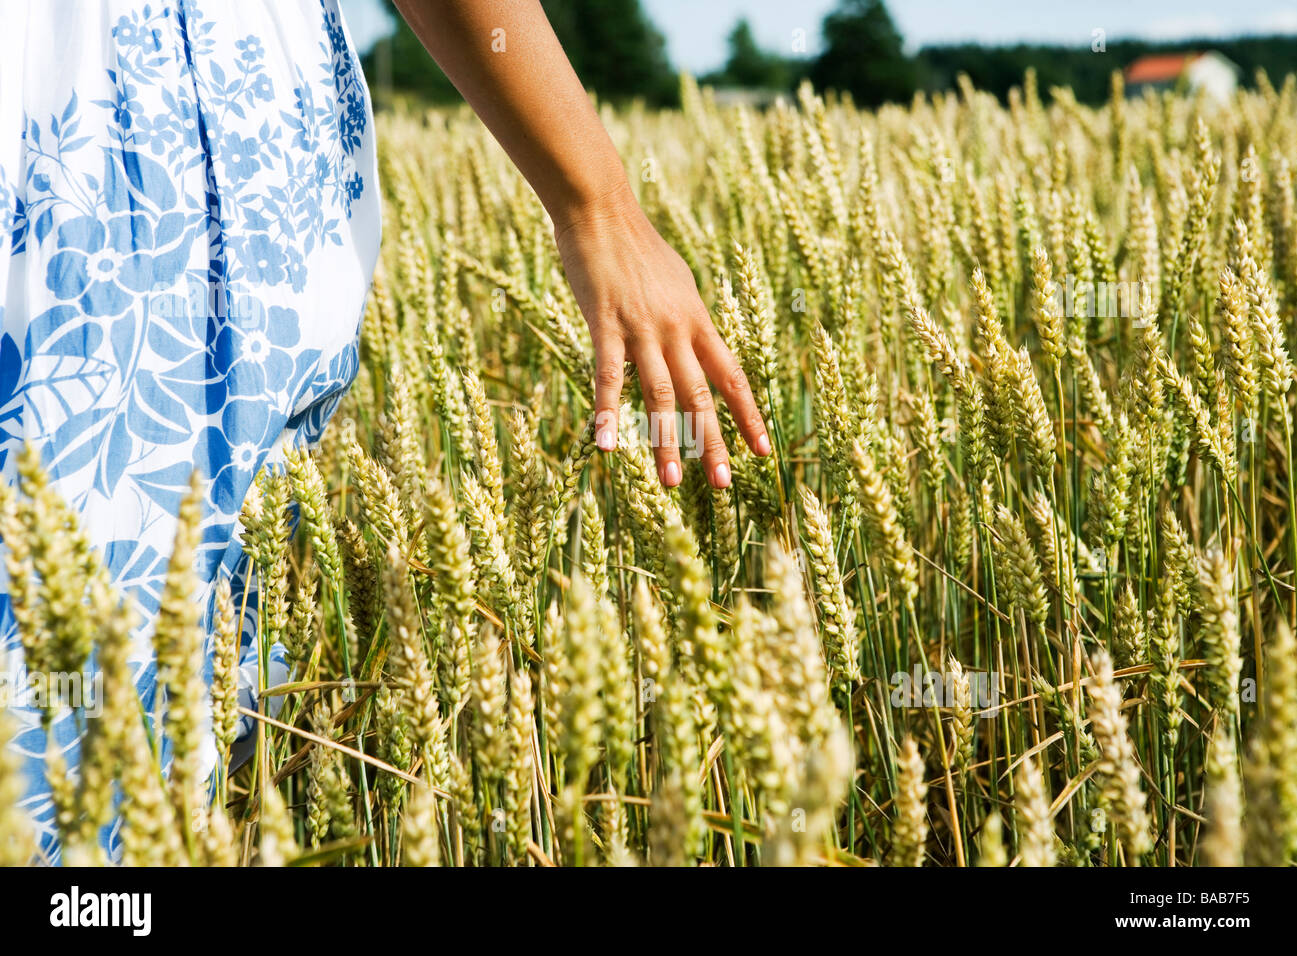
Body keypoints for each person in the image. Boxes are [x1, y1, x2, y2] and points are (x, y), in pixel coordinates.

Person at [0, 0, 768, 862]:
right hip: (163, 144)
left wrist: (598, 204)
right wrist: (598, 204)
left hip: (126, 145)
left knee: (109, 721)